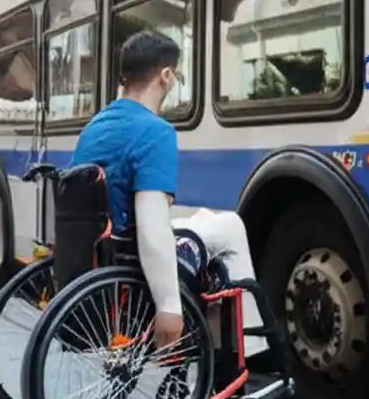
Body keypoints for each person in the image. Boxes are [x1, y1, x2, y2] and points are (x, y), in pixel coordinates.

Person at [71, 31, 265, 355]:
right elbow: (151, 226)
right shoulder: (154, 131)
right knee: (230, 226)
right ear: (165, 76)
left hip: (102, 248)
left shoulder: (96, 125)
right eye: (174, 75)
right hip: (130, 252)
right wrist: (169, 306)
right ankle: (252, 349)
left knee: (204, 219)